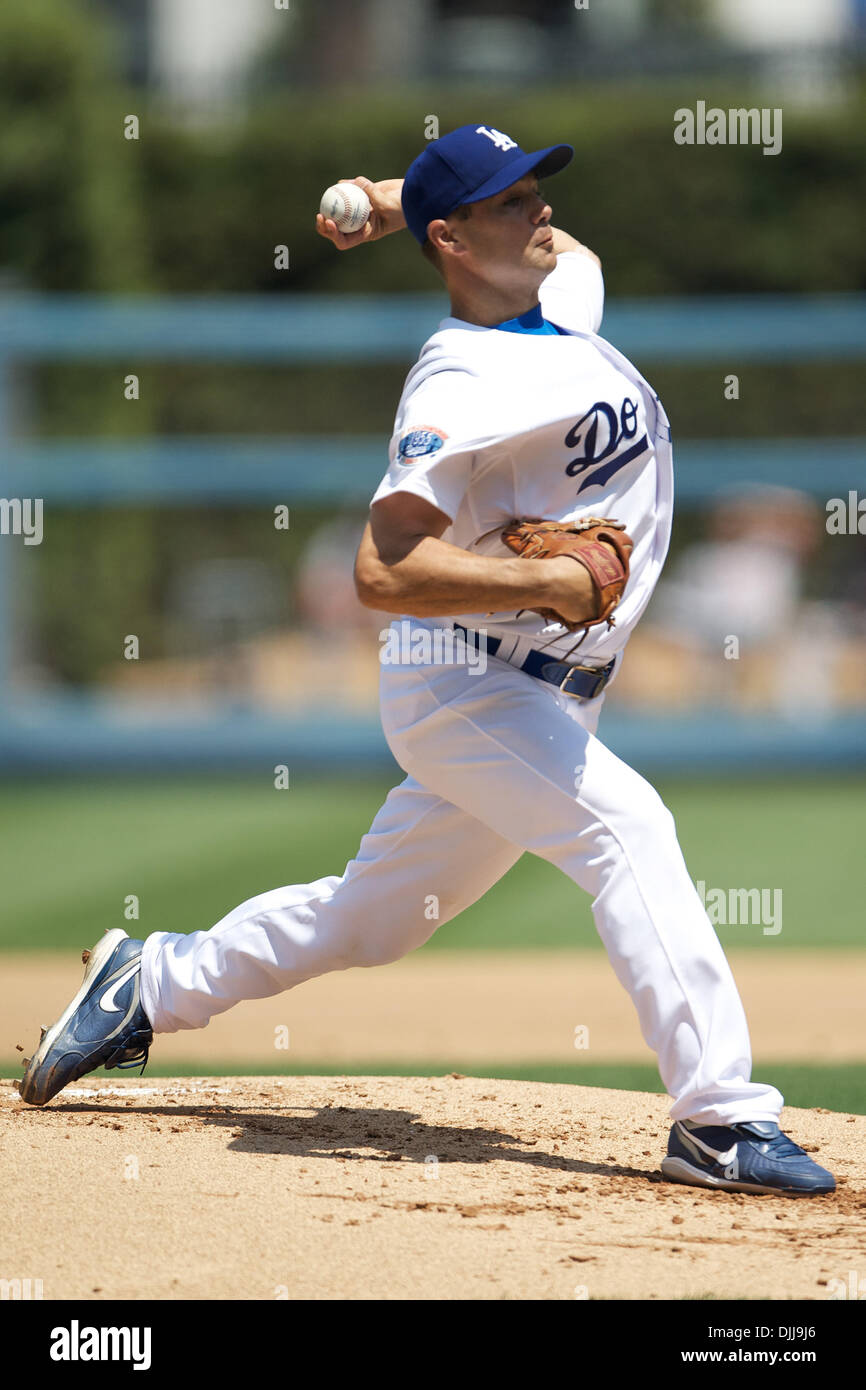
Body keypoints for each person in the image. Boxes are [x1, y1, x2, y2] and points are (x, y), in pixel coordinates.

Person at [20, 124, 834, 1198]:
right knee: (628, 828)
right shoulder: (457, 379)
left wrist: (390, 195)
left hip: (545, 692)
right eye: (510, 201)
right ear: (458, 241)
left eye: (536, 188)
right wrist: (546, 583)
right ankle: (717, 1120)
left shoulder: (561, 301)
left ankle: (148, 980)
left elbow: (547, 244)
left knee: (370, 921)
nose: (539, 210)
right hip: (466, 684)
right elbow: (381, 568)